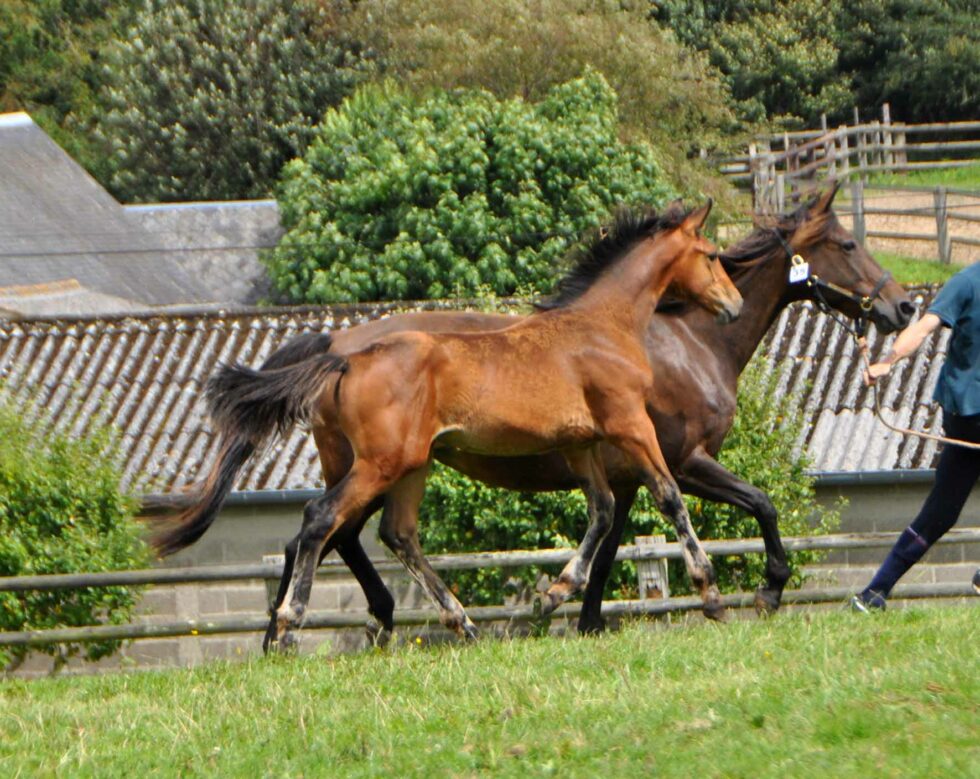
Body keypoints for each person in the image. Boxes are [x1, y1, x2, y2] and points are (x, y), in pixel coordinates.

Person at [851, 263, 980, 611]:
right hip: (971, 414)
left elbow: (924, 327)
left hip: (963, 416)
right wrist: (889, 359)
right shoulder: (969, 282)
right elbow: (922, 328)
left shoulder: (966, 281)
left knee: (940, 513)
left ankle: (874, 593)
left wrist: (888, 362)